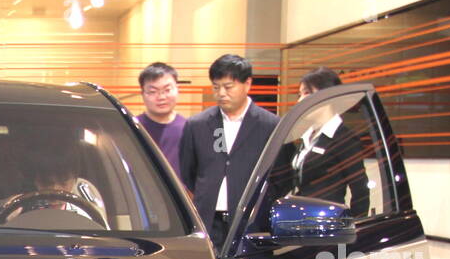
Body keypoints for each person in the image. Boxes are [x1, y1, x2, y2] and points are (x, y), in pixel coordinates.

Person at [178, 54, 279, 247]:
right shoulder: (198, 124)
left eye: (228, 87)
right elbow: (189, 172)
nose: (221, 93)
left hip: (250, 222)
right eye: (216, 87)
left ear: (247, 84)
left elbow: (280, 175)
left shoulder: (269, 125)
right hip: (208, 221)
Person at [291, 66, 370, 216]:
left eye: (306, 93)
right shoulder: (308, 136)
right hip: (302, 222)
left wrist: (354, 229)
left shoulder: (344, 138)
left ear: (326, 97)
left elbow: (360, 190)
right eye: (299, 94)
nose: (300, 100)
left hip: (326, 226)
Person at [136, 62, 186, 170]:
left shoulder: (189, 129)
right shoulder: (133, 128)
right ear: (142, 94)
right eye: (153, 91)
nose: (161, 97)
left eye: (167, 90)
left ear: (178, 89)